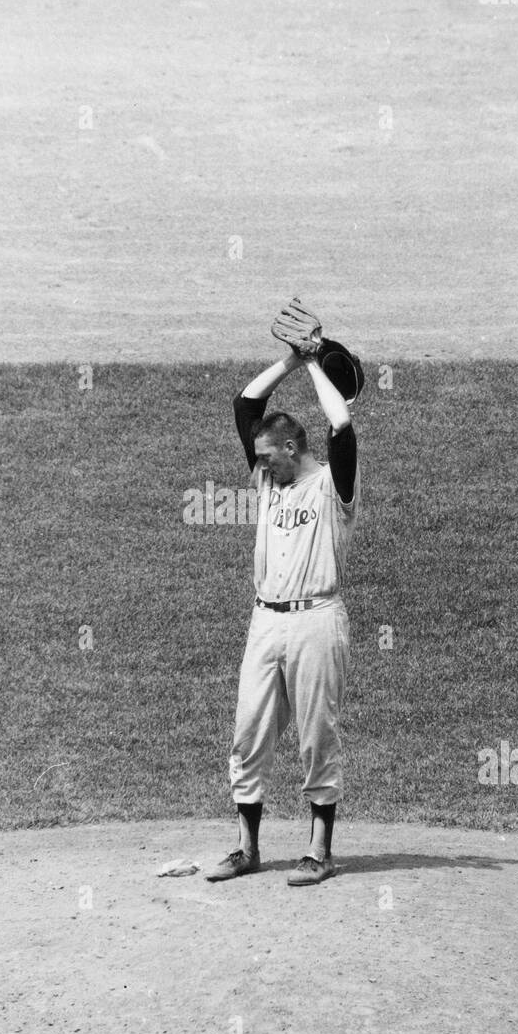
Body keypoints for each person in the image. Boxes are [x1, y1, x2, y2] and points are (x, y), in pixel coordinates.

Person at [206, 344, 360, 886]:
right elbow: (245, 403)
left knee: (317, 735)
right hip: (265, 622)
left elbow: (342, 428)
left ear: (292, 448)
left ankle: (320, 852)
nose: (260, 465)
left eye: (268, 455)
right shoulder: (269, 480)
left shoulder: (331, 488)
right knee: (249, 730)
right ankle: (246, 847)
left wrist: (318, 363)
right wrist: (292, 359)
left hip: (318, 620)